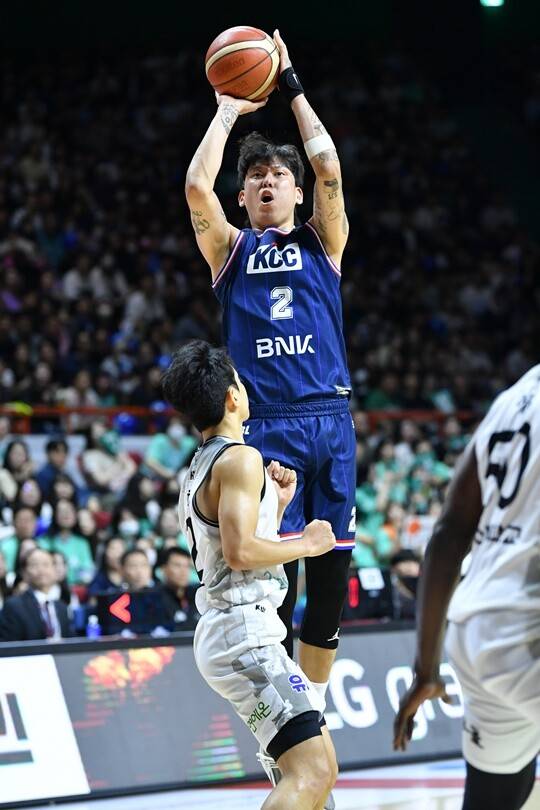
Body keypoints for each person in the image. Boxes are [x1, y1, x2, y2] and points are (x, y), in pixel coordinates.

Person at [185, 30, 355, 766]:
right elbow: (197, 188)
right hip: (273, 429)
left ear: (291, 191)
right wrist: (226, 108)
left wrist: (288, 82)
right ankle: (284, 732)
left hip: (333, 419)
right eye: (251, 177)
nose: (261, 182)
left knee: (330, 591)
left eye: (272, 176)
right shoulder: (231, 252)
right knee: (269, 589)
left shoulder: (324, 241)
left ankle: (311, 718)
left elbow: (328, 166)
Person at [161, 340, 338, 810]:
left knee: (316, 773)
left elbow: (229, 545)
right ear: (231, 397)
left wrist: (273, 509)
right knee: (314, 771)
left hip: (235, 628)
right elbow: (239, 553)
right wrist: (309, 543)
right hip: (243, 631)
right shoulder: (240, 458)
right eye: (238, 380)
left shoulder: (201, 464)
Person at [394, 364, 540, 810]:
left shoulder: (515, 398)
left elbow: (449, 532)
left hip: (475, 630)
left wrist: (425, 670)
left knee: (493, 800)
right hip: (529, 627)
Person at [0, 548, 73, 641]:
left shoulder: (62, 607)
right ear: (24, 572)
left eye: (46, 564)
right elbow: (9, 647)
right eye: (35, 565)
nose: (41, 570)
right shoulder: (13, 606)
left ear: (54, 571)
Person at [157, 546, 199, 629]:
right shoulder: (154, 599)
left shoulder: (198, 594)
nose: (184, 571)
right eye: (177, 566)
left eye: (187, 566)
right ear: (163, 569)